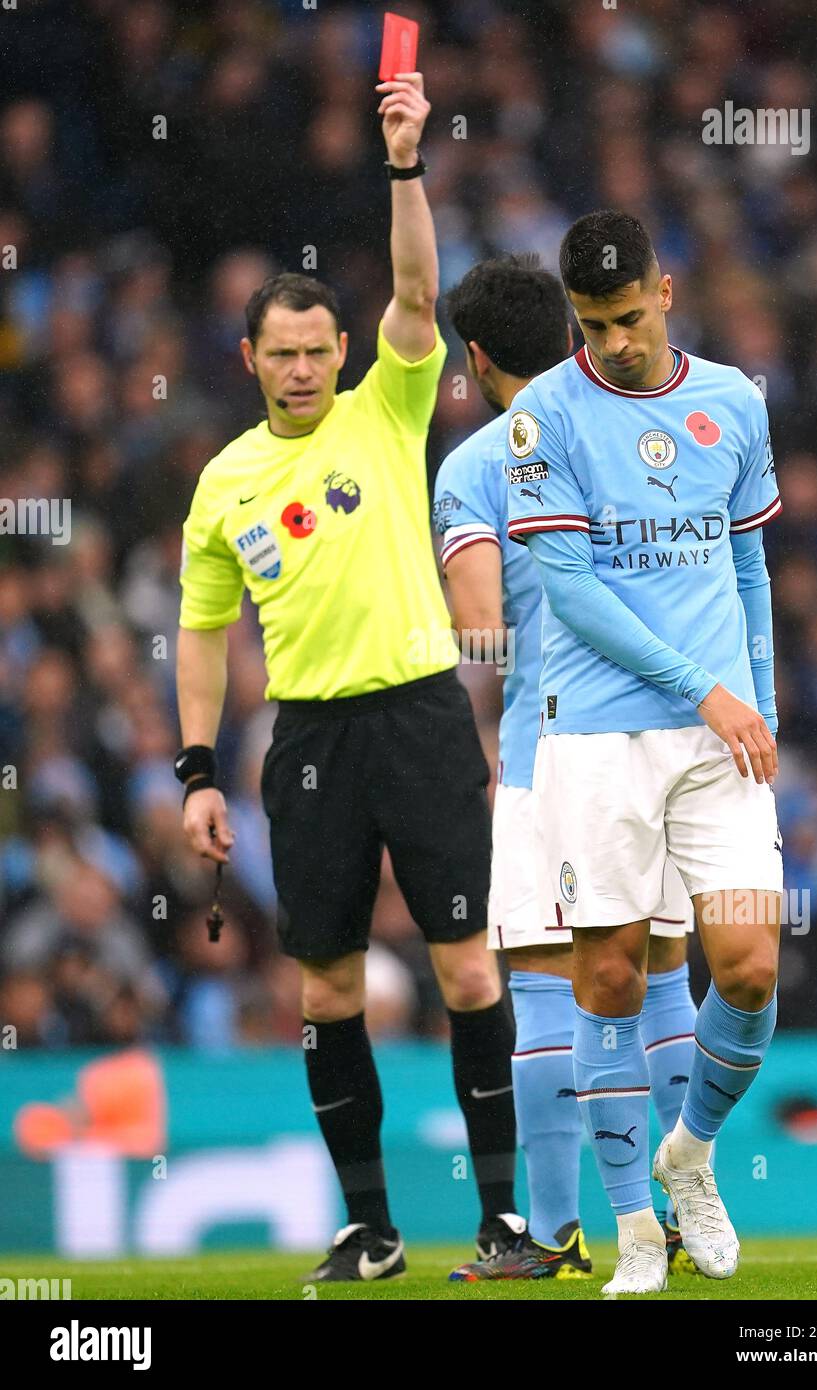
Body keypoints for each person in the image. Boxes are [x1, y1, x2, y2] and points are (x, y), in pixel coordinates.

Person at [174, 70, 521, 1283]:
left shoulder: (389, 408)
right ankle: (371, 1228)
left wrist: (405, 162)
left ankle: (499, 1222)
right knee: (327, 987)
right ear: (251, 358)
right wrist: (199, 772)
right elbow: (202, 636)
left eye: (324, 349)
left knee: (468, 963)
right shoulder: (221, 486)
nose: (309, 370)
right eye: (287, 354)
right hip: (309, 739)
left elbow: (419, 289)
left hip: (424, 713)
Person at [506, 211, 783, 1296]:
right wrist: (708, 689)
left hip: (720, 729)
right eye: (592, 324)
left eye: (628, 317)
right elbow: (573, 591)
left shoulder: (734, 400)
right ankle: (631, 1233)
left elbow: (749, 562)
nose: (614, 340)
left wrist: (756, 693)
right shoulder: (544, 420)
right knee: (611, 975)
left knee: (752, 967)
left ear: (665, 290)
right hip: (597, 734)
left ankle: (692, 1153)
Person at [432, 255, 698, 1282]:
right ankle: (680, 1217)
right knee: (664, 974)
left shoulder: (477, 465)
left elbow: (483, 631)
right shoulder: (638, 428)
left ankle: (549, 1236)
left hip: (556, 753)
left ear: (478, 359)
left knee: (547, 984)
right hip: (671, 741)